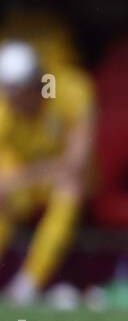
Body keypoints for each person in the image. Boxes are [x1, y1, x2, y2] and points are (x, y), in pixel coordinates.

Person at [0, 41, 95, 305]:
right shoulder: (5, 109)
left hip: (73, 181)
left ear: (36, 82)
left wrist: (22, 178)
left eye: (16, 92)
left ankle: (29, 284)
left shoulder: (72, 90)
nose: (11, 99)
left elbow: (77, 162)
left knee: (69, 186)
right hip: (27, 185)